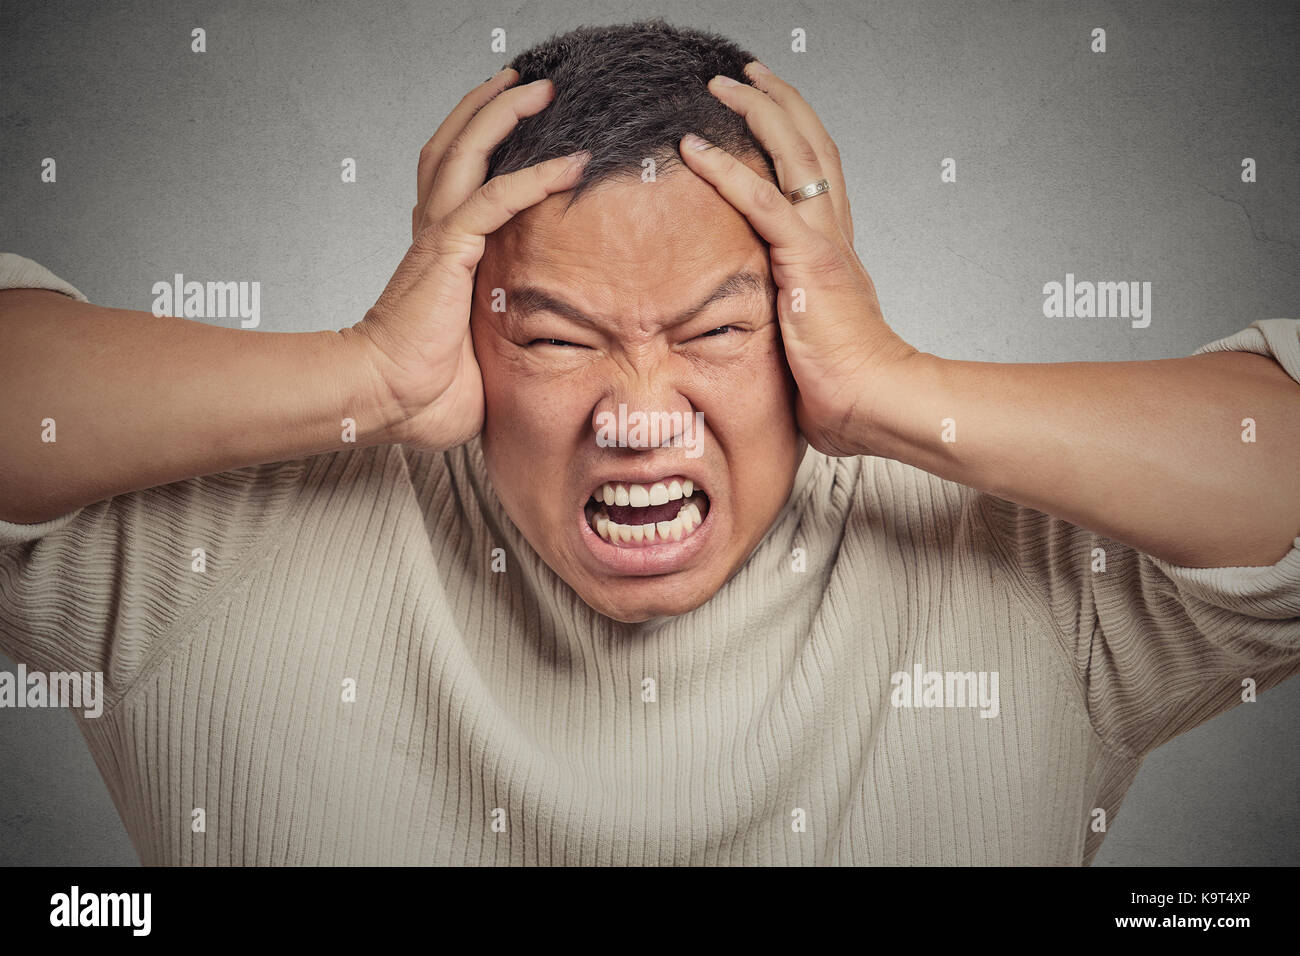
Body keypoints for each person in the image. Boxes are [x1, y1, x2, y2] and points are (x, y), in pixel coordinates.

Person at [1, 19, 1297, 866]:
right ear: (469, 330)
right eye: (558, 339)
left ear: (803, 328)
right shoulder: (211, 548)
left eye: (716, 333)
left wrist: (899, 389)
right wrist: (363, 373)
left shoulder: (1021, 563)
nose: (637, 415)